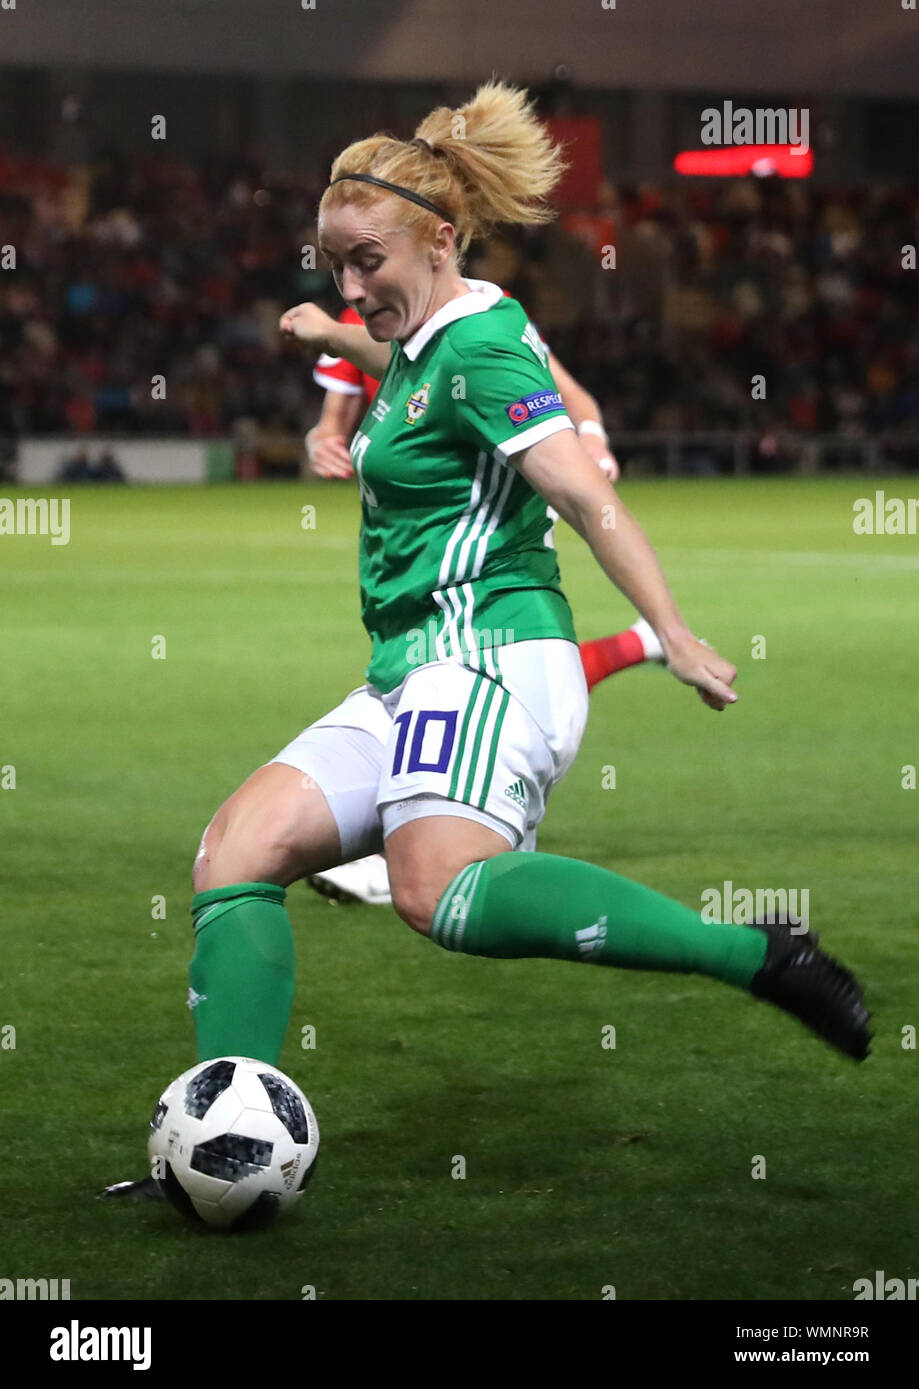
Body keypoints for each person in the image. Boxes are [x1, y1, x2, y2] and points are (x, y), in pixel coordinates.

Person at [189, 80, 870, 1073]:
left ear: (442, 240)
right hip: (408, 671)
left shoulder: (485, 349)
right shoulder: (424, 342)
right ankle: (224, 1117)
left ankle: (756, 952)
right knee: (232, 850)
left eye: (365, 262)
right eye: (335, 264)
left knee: (435, 891)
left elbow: (591, 499)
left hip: (491, 661)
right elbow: (414, 379)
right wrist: (334, 336)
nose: (350, 286)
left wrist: (670, 633)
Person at [298, 300, 661, 904]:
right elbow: (334, 418)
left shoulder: (483, 329)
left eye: (366, 259)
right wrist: (321, 439)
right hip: (409, 527)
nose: (358, 283)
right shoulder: (374, 323)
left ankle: (412, 851)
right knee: (440, 673)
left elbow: (576, 403)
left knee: (477, 659)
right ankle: (456, 840)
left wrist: (592, 445)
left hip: (486, 525)